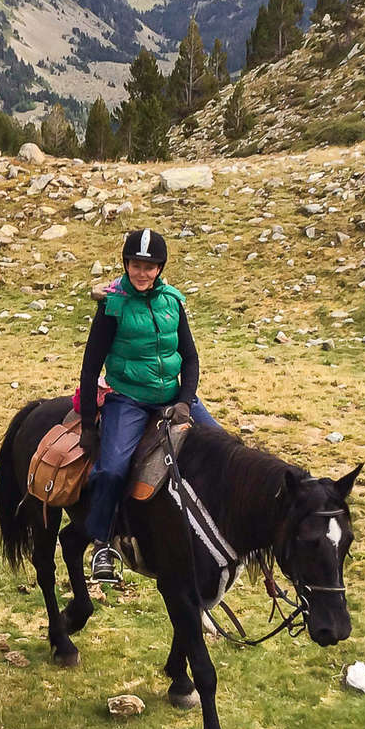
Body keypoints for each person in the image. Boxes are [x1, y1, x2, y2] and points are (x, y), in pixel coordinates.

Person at [78, 228, 222, 585]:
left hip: (173, 397)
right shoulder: (112, 306)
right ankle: (102, 544)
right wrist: (86, 424)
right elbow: (91, 365)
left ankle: (219, 534)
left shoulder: (172, 302)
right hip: (129, 399)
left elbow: (189, 358)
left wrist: (186, 402)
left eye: (150, 266)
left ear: (160, 268)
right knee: (112, 469)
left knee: (225, 449)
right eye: (136, 265)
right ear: (126, 264)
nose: (142, 273)